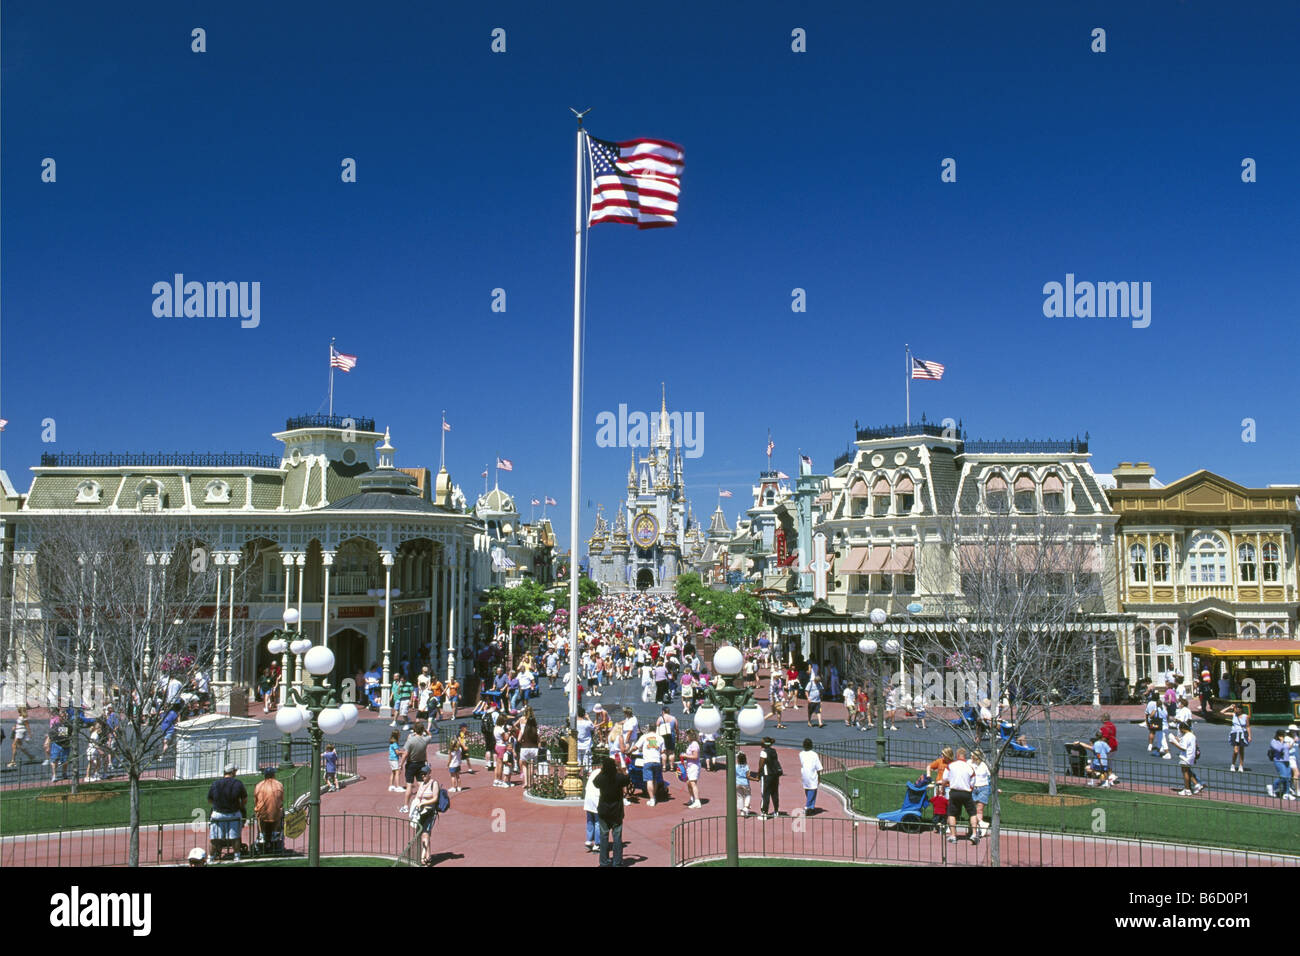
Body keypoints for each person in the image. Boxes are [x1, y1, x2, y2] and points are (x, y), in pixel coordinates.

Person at [207, 763, 248, 862]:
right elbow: (244, 799)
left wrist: (217, 805)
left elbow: (209, 799)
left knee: (215, 838)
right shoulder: (238, 783)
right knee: (235, 837)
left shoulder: (215, 784)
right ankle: (237, 856)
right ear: (232, 772)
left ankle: (211, 857)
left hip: (218, 814)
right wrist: (240, 807)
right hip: (233, 814)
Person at [593, 756, 630, 867]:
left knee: (604, 837)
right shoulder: (618, 777)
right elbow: (627, 779)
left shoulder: (601, 778)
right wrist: (619, 768)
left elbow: (595, 782)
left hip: (604, 810)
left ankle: (603, 862)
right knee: (617, 837)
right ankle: (617, 862)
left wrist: (602, 770)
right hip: (616, 811)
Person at [942, 748, 978, 843]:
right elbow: (973, 781)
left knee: (952, 814)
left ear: (957, 755)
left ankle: (953, 836)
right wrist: (970, 789)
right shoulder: (969, 767)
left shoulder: (951, 766)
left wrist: (942, 789)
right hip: (966, 792)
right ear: (964, 756)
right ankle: (974, 834)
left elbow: (944, 779)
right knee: (972, 813)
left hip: (954, 792)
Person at [410, 766, 443, 866]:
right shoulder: (421, 784)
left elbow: (435, 799)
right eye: (422, 774)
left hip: (430, 812)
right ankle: (428, 856)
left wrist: (424, 803)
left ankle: (422, 857)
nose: (423, 776)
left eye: (425, 774)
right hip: (421, 813)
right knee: (423, 835)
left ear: (429, 773)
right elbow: (417, 797)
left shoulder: (434, 783)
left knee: (425, 834)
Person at [398, 722, 431, 812]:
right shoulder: (425, 739)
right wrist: (425, 730)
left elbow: (405, 754)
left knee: (409, 785)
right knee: (421, 784)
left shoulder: (411, 741)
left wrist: (401, 764)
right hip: (421, 763)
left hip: (411, 764)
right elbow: (429, 735)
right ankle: (424, 802)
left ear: (414, 730)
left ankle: (406, 806)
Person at [1168, 721, 1204, 795]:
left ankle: (1187, 789)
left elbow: (1183, 748)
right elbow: (1184, 743)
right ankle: (1196, 785)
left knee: (1185, 772)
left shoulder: (1186, 736)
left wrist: (1173, 743)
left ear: (1183, 728)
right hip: (1191, 756)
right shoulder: (1192, 735)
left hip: (1185, 757)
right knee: (1188, 771)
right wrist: (1177, 739)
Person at [253, 766, 285, 850]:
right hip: (275, 815)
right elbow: (281, 800)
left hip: (262, 815)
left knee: (258, 812)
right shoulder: (279, 785)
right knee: (279, 810)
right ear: (273, 775)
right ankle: (275, 834)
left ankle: (261, 835)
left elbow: (256, 801)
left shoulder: (259, 785)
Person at [633, 727, 665, 806]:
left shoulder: (644, 737)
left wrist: (629, 751)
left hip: (648, 761)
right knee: (655, 780)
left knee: (649, 780)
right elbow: (663, 751)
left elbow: (636, 747)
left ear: (649, 729)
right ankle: (653, 796)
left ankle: (652, 799)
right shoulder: (660, 738)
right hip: (657, 761)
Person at [753, 736, 783, 818]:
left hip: (766, 776)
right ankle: (776, 811)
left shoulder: (763, 752)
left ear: (764, 744)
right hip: (775, 775)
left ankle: (764, 813)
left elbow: (761, 765)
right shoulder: (774, 751)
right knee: (774, 794)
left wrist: (758, 775)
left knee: (765, 794)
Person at [1221, 703, 1251, 772]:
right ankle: (1233, 764)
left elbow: (1248, 726)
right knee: (1236, 751)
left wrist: (1249, 736)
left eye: (1238, 708)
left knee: (1241, 751)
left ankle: (1241, 765)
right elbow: (1222, 712)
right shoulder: (1233, 715)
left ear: (1241, 709)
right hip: (1234, 733)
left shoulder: (1245, 716)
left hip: (1243, 733)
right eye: (1235, 708)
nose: (1236, 710)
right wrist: (1229, 707)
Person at [970, 750, 993, 833]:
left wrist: (994, 788)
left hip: (983, 788)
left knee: (979, 809)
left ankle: (979, 828)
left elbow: (991, 776)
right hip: (972, 788)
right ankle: (980, 824)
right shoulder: (969, 763)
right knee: (972, 809)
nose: (970, 757)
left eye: (972, 755)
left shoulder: (984, 765)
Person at [1266, 730, 1292, 799]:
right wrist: (1282, 742)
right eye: (1282, 736)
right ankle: (1272, 787)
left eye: (1284, 736)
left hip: (1286, 761)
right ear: (1278, 736)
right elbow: (1279, 749)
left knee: (1288, 778)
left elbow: (1288, 748)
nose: (1283, 737)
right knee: (1283, 776)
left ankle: (1286, 793)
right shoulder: (1274, 742)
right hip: (1279, 761)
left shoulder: (1285, 741)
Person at [799, 739, 823, 813]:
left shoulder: (801, 754)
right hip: (812, 773)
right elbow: (818, 767)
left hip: (804, 773)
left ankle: (811, 807)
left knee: (807, 788)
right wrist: (819, 777)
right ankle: (808, 806)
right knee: (812, 789)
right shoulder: (814, 754)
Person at [681, 729, 702, 808]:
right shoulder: (691, 744)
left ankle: (697, 801)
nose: (686, 737)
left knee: (693, 783)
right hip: (690, 765)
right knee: (688, 783)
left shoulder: (694, 744)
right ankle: (692, 798)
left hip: (694, 765)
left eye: (687, 736)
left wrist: (685, 756)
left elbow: (695, 756)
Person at [583, 766, 602, 852]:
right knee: (598, 822)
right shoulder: (604, 774)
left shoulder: (595, 771)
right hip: (596, 798)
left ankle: (589, 840)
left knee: (590, 820)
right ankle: (597, 844)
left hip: (588, 798)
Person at [656, 707, 679, 772]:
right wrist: (678, 737)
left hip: (663, 737)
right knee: (671, 752)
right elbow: (676, 728)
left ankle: (664, 767)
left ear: (663, 711)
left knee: (664, 752)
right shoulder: (674, 718)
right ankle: (671, 767)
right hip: (671, 736)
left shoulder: (660, 718)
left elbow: (657, 727)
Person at [576, 706, 595, 771]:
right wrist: (588, 718)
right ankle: (587, 775)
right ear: (584, 714)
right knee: (587, 761)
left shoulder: (575, 723)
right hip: (587, 744)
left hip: (578, 743)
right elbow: (593, 727)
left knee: (578, 761)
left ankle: (578, 774)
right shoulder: (587, 723)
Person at [735, 751, 753, 815]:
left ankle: (742, 810)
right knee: (748, 795)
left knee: (740, 796)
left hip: (737, 783)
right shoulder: (746, 766)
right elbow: (748, 775)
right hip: (745, 783)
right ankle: (746, 807)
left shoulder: (736, 766)